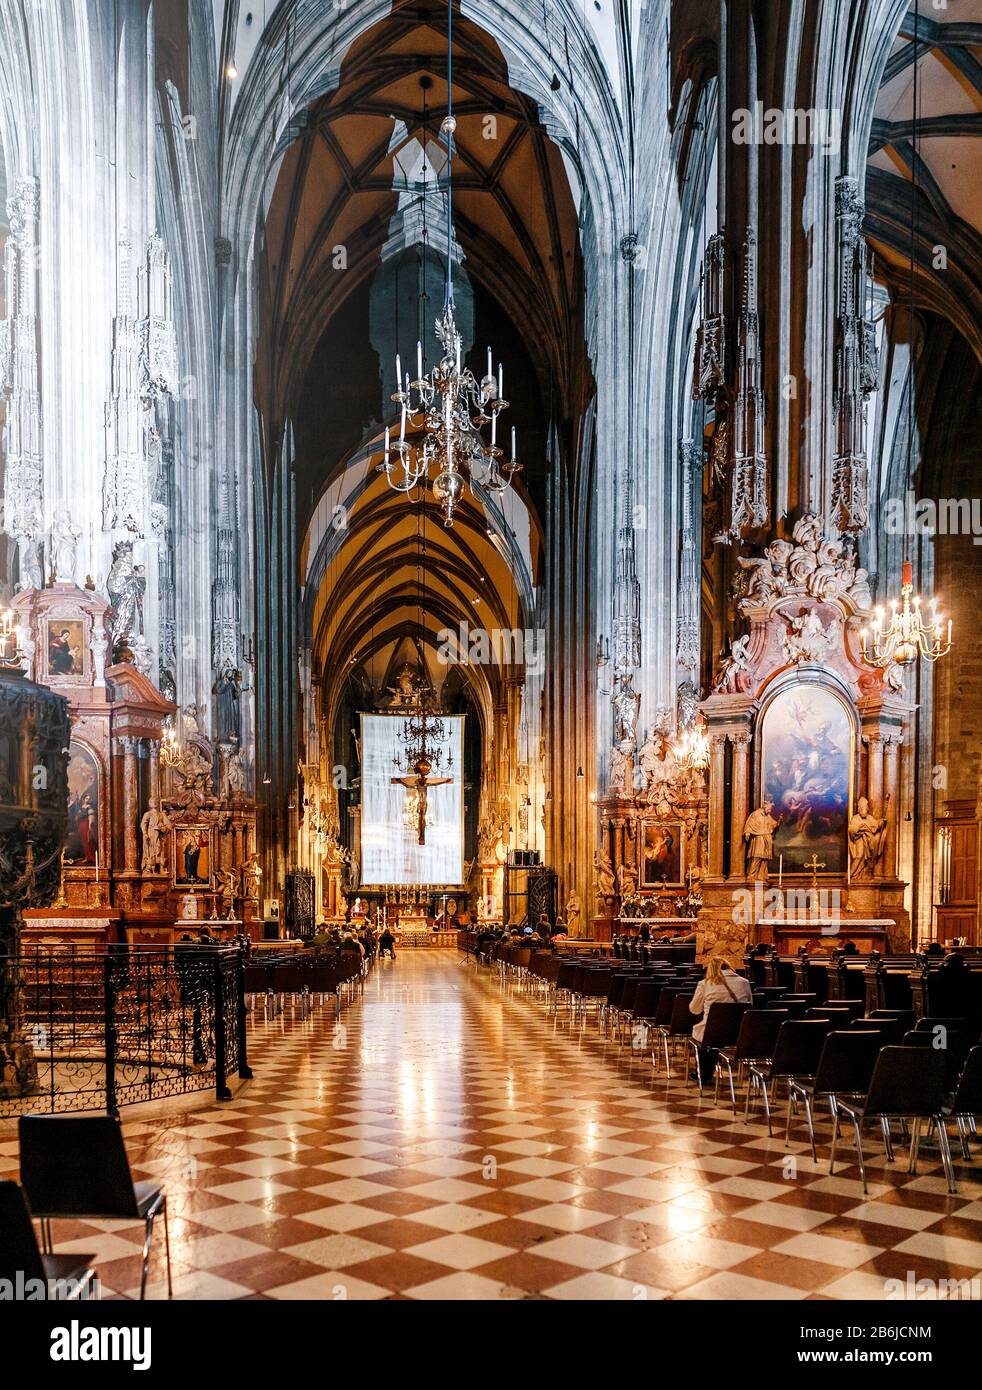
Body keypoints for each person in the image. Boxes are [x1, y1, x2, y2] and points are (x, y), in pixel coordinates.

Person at [688, 958, 752, 1082]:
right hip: (738, 1032)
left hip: (711, 1033)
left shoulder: (705, 984)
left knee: (706, 1037)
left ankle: (703, 1073)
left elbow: (694, 1010)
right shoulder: (744, 983)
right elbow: (749, 1005)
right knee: (713, 1035)